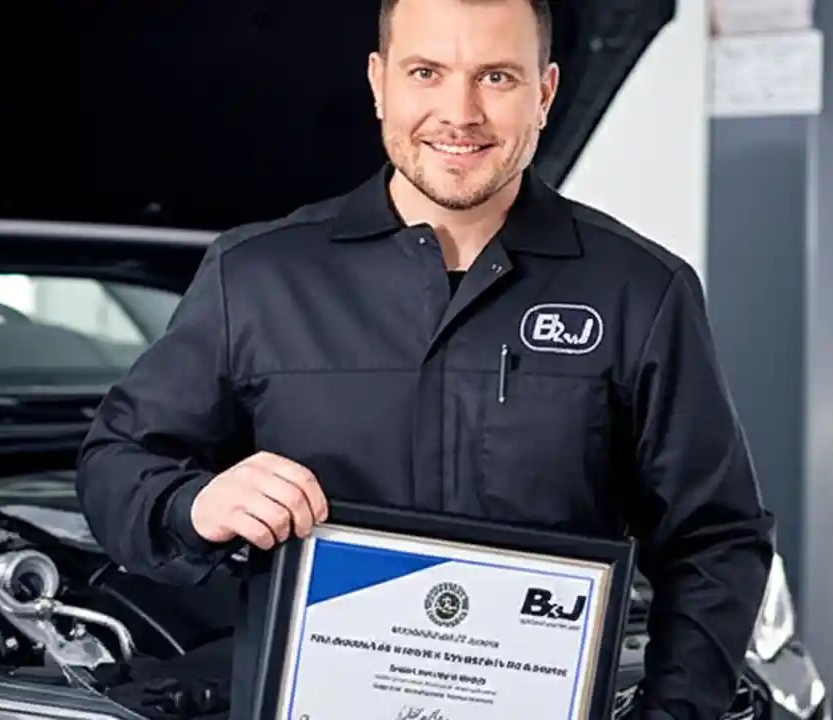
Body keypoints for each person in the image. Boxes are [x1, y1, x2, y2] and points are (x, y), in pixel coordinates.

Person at [75, 0, 775, 717]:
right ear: (380, 82)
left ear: (546, 92)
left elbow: (715, 538)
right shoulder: (257, 276)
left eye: (497, 77)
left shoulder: (641, 292)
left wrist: (673, 713)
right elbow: (117, 461)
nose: (459, 112)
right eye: (426, 72)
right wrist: (195, 504)